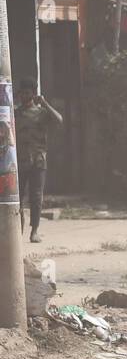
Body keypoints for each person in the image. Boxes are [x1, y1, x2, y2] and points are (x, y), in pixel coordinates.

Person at [15, 78, 63, 244]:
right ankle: (17, 232)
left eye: (28, 93)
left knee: (36, 198)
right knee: (17, 199)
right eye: (22, 93)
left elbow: (59, 120)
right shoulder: (15, 113)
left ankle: (34, 231)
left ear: (33, 94)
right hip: (19, 162)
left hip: (38, 162)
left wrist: (45, 103)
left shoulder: (42, 113)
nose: (24, 96)